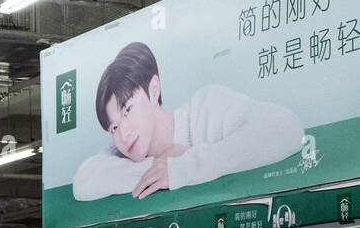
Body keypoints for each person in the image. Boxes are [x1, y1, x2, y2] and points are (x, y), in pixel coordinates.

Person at [72, 41, 303, 202]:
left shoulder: (206, 107)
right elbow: (83, 183)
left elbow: (286, 128)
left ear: (154, 90)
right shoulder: (119, 153)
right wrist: (161, 165)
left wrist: (183, 167)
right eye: (113, 127)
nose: (123, 134)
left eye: (128, 110)